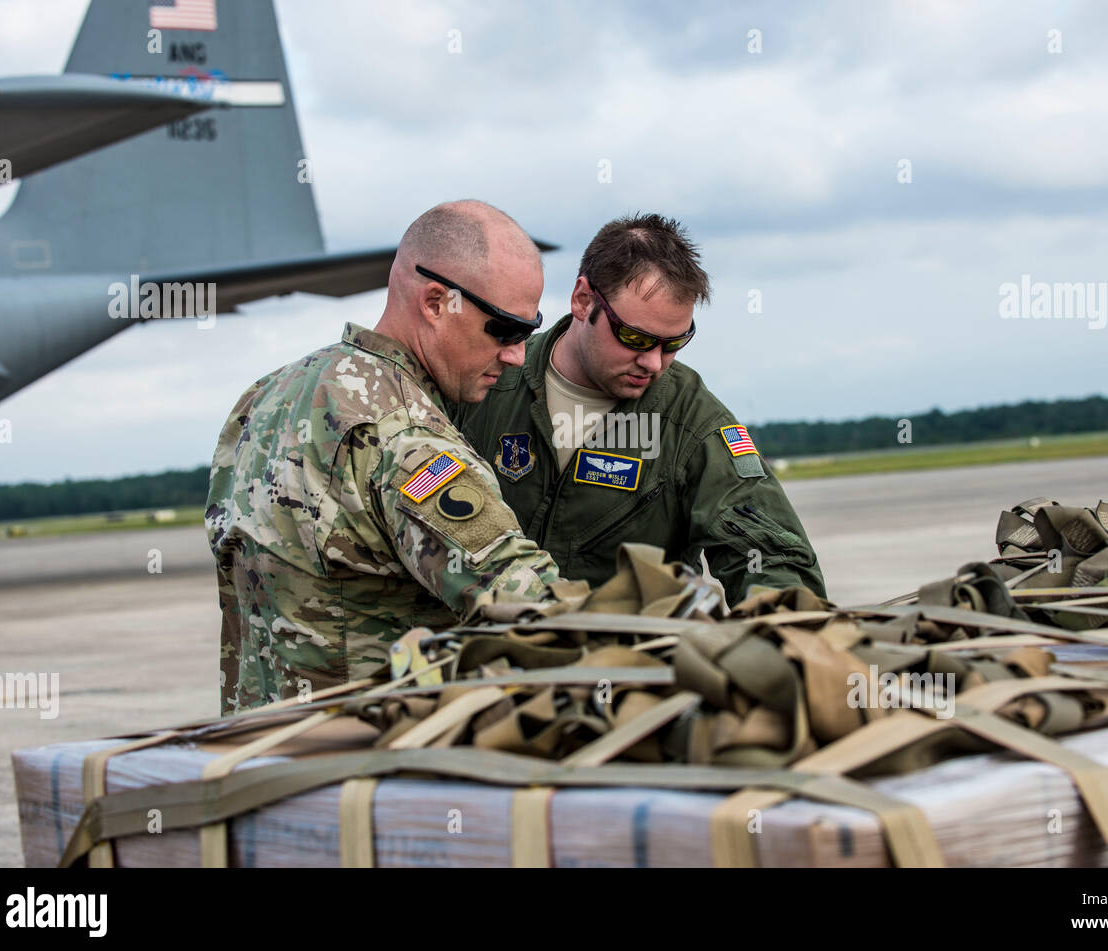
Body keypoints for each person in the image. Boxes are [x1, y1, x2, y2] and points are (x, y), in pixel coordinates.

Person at [206, 200, 561, 714]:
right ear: (436, 303)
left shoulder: (262, 399)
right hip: (362, 766)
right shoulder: (407, 436)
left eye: (529, 332)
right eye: (505, 331)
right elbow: (527, 600)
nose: (516, 356)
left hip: (256, 761)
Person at [453, 213, 826, 605]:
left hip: (626, 659)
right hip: (480, 654)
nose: (653, 363)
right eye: (634, 338)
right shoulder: (486, 382)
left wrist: (779, 630)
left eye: (673, 344)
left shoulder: (690, 420)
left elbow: (771, 557)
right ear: (583, 300)